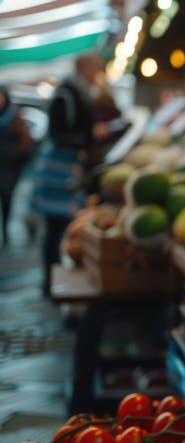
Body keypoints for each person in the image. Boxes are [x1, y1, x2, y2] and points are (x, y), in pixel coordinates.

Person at [33, 53, 114, 297]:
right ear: (85, 67)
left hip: (69, 171)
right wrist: (91, 135)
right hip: (61, 171)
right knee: (56, 228)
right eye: (96, 66)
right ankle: (50, 281)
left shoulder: (77, 91)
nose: (99, 71)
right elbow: (59, 132)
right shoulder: (67, 93)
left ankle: (54, 280)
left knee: (62, 228)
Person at [0, 85, 33, 247]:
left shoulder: (13, 116)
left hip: (9, 166)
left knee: (6, 197)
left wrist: (16, 154)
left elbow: (26, 139)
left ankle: (5, 230)